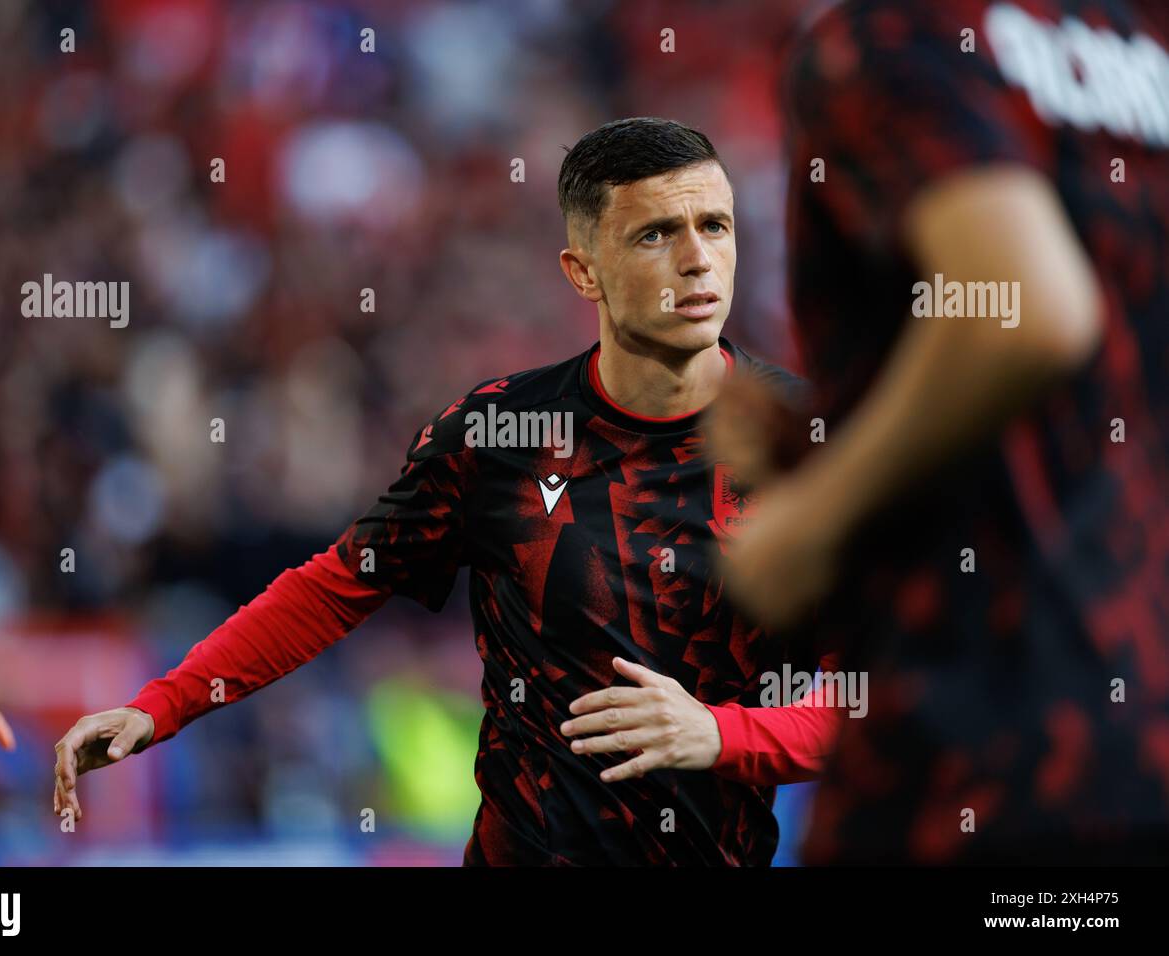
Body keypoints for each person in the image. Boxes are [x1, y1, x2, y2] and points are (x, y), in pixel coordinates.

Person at [55, 117, 839, 866]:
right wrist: (161, 705)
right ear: (583, 271)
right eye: (657, 234)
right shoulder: (497, 436)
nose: (699, 259)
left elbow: (880, 704)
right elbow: (334, 589)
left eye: (716, 225)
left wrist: (719, 735)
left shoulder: (807, 447)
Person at [710, 0, 1169, 863]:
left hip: (996, 752)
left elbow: (1024, 312)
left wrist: (810, 519)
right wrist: (823, 435)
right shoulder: (1139, 50)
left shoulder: (891, 35)